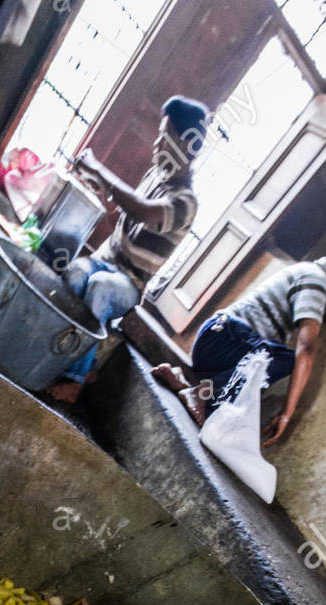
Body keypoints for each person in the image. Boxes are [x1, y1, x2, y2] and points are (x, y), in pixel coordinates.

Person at [48, 94, 210, 403]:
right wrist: (97, 184)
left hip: (128, 283)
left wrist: (99, 170)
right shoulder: (155, 175)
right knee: (76, 273)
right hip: (103, 260)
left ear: (188, 147)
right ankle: (71, 359)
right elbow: (127, 214)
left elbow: (144, 212)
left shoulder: (186, 202)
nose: (157, 145)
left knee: (100, 288)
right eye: (160, 137)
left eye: (166, 139)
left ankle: (75, 381)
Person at [152, 230, 326, 442]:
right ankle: (199, 395)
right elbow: (307, 348)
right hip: (226, 341)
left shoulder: (305, 270)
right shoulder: (316, 280)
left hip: (216, 342)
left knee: (247, 387)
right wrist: (286, 415)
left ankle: (188, 384)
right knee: (280, 360)